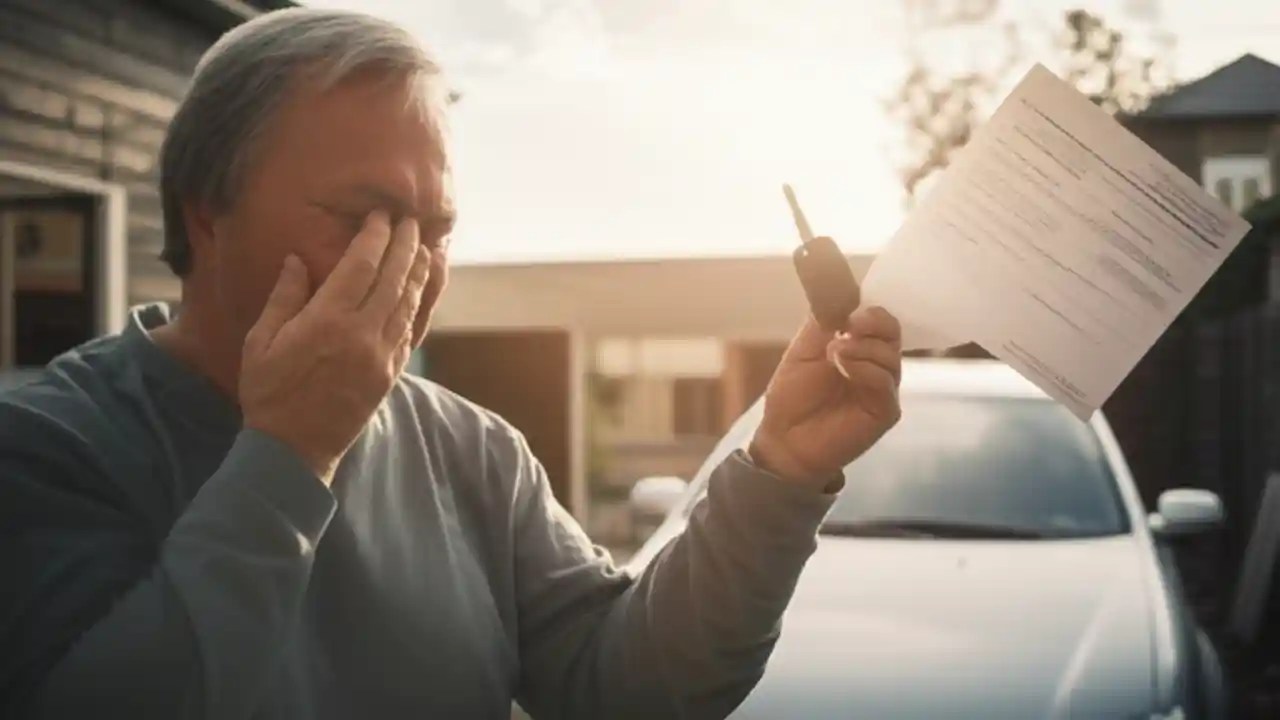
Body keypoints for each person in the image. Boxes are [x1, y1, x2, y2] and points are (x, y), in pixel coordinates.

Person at [0, 8, 902, 720]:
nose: (412, 264)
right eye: (364, 218)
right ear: (207, 215)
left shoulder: (471, 450)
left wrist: (781, 468)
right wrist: (288, 451)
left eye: (436, 230)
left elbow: (625, 688)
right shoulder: (46, 449)